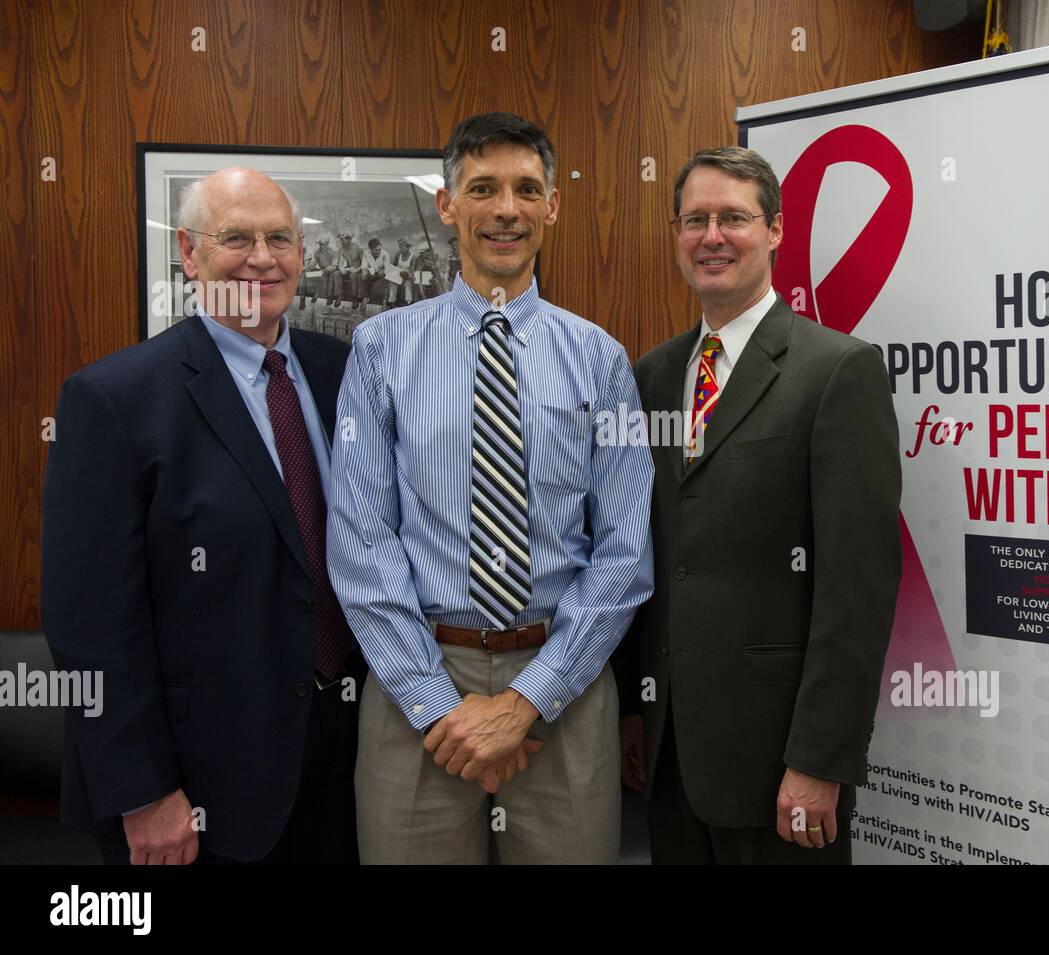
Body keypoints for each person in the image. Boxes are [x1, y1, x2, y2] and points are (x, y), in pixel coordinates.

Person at [327, 112, 653, 864]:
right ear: (447, 205)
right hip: (417, 685)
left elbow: (625, 552)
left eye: (525, 188)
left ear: (551, 206)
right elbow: (362, 541)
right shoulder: (381, 349)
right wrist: (443, 706)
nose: (506, 207)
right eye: (483, 188)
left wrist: (527, 700)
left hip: (564, 682)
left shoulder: (602, 360)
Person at [41, 167, 361, 865]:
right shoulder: (114, 398)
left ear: (302, 255)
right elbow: (87, 621)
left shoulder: (345, 373)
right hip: (197, 787)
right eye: (235, 238)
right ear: (189, 253)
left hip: (348, 762)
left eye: (280, 237)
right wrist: (141, 790)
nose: (262, 257)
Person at [617, 147, 902, 865]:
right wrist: (633, 709)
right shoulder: (652, 373)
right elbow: (649, 556)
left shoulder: (838, 370)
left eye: (734, 218)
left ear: (775, 230)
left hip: (781, 765)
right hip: (670, 754)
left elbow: (858, 588)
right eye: (695, 220)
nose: (712, 236)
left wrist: (820, 759)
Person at [331, 231, 363, 309]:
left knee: (353, 275)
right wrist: (342, 269)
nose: (341, 242)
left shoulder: (358, 249)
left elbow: (364, 264)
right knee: (336, 273)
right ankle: (339, 295)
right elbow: (339, 263)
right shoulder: (341, 250)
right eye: (340, 239)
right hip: (348, 270)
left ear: (349, 239)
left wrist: (357, 269)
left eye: (343, 240)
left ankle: (354, 298)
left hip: (357, 271)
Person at [359, 237, 390, 310]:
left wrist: (382, 272)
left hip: (382, 274)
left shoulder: (385, 254)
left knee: (383, 282)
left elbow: (387, 268)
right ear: (370, 250)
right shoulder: (366, 254)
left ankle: (384, 301)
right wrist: (364, 273)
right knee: (362, 277)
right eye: (376, 250)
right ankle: (365, 298)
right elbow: (364, 266)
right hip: (371, 273)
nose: (378, 251)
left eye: (379, 249)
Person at [391, 236, 419, 305]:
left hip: (408, 277)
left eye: (402, 248)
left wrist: (408, 275)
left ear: (407, 248)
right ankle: (391, 302)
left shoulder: (413, 257)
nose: (400, 250)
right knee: (393, 283)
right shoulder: (398, 255)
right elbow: (394, 267)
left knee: (408, 284)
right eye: (399, 248)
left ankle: (408, 302)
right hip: (399, 275)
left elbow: (412, 272)